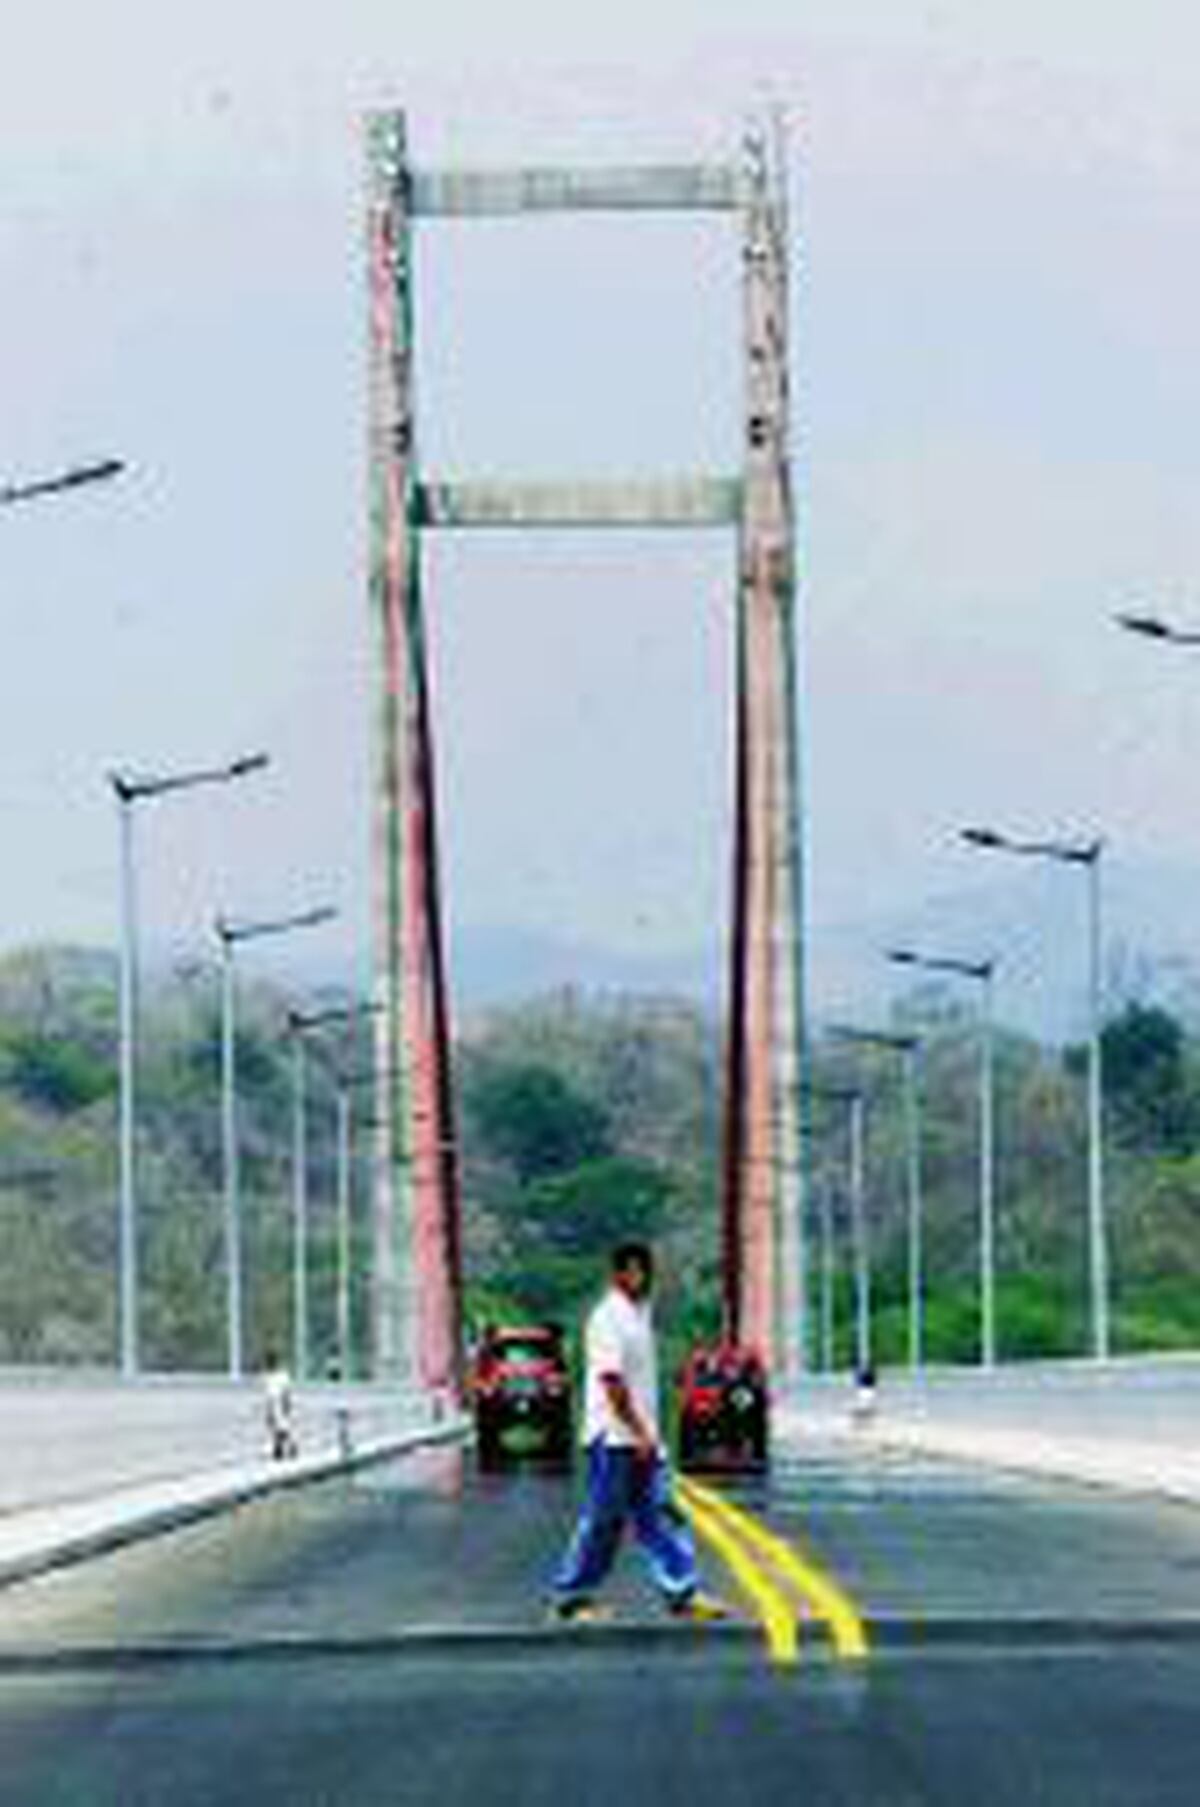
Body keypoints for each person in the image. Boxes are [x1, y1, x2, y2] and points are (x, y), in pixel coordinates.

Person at [551, 1240, 726, 1623]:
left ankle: (683, 1591)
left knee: (661, 1515)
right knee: (603, 1519)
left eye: (643, 1270)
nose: (638, 1277)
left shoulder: (638, 1315)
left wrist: (649, 1437)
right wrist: (639, 1432)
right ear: (615, 1275)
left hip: (641, 1440)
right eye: (629, 1270)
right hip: (612, 1438)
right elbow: (611, 1382)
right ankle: (573, 1596)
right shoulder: (607, 1318)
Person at [263, 1349, 298, 1460]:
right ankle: (279, 1449)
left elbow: (286, 1393)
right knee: (276, 1428)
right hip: (274, 1404)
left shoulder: (282, 1376)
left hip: (280, 1404)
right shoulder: (269, 1377)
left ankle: (288, 1448)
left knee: (282, 1428)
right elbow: (269, 1395)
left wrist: (286, 1407)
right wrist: (268, 1410)